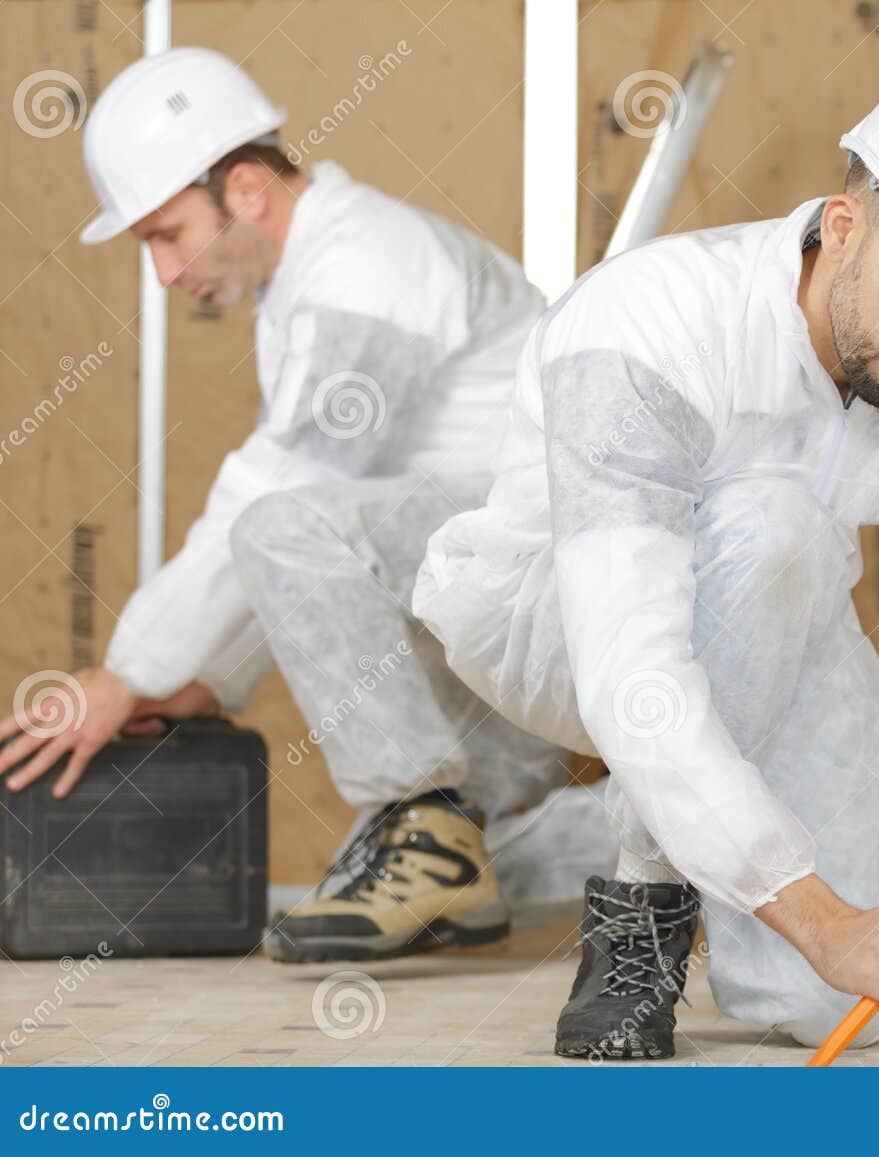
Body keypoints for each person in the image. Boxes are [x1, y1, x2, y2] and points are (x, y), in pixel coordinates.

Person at [413, 62, 879, 1058]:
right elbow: (636, 672)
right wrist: (823, 915)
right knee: (776, 523)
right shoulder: (646, 325)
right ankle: (639, 898)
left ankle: (572, 842)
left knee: (837, 1004)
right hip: (553, 624)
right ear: (842, 224)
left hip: (777, 605)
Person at [0, 46, 614, 963]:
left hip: (547, 588)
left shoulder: (365, 264)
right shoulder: (311, 284)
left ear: (245, 188)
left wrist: (129, 669)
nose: (164, 275)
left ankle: (427, 823)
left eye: (167, 235)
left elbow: (286, 503)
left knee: (281, 519)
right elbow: (331, 526)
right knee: (485, 865)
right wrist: (202, 682)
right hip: (485, 596)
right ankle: (485, 843)